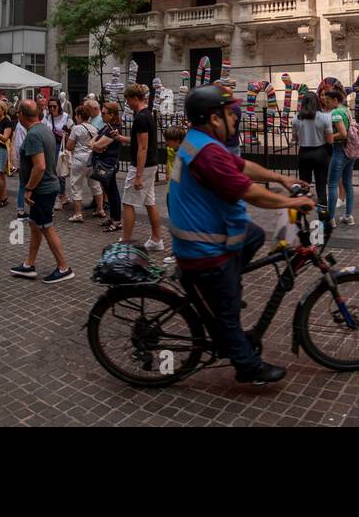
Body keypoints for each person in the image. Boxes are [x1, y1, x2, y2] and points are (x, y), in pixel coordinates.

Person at [168, 84, 314, 385]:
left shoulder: (202, 142)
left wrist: (280, 177)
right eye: (229, 113)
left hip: (206, 236)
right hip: (204, 251)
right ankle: (248, 367)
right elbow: (251, 194)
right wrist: (292, 202)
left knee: (254, 234)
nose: (235, 118)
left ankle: (227, 290)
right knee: (228, 312)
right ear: (213, 118)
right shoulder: (208, 153)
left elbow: (243, 166)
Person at [8, 100, 73, 284]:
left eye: (18, 112)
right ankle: (29, 264)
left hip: (42, 189)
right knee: (35, 225)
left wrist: (28, 189)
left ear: (22, 114)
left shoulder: (35, 134)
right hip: (45, 187)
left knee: (46, 226)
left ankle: (64, 267)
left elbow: (40, 166)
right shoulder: (43, 129)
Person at [120, 84, 165, 251]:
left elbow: (143, 147)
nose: (127, 104)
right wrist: (121, 138)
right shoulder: (147, 115)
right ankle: (156, 239)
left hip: (142, 166)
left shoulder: (140, 118)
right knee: (149, 201)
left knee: (128, 202)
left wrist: (138, 175)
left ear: (134, 98)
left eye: (128, 100)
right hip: (150, 164)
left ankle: (125, 241)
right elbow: (140, 143)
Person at [290, 91, 333, 224]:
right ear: (317, 102)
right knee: (321, 186)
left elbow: (294, 138)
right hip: (320, 152)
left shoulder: (296, 118)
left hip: (304, 153)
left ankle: (300, 217)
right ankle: (323, 219)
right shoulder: (324, 117)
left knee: (304, 185)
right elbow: (330, 140)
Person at [88, 100, 125, 230]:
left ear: (112, 115)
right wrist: (95, 146)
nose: (102, 116)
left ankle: (117, 220)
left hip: (108, 164)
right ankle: (113, 218)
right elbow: (91, 142)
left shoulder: (113, 129)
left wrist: (96, 146)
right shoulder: (106, 127)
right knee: (108, 191)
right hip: (102, 162)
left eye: (104, 114)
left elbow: (97, 144)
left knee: (113, 192)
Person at [323, 87, 356, 227]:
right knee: (348, 183)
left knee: (332, 184)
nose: (326, 104)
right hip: (350, 152)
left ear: (336, 100)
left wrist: (328, 137)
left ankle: (330, 219)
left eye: (328, 101)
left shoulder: (336, 112)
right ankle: (348, 216)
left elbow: (342, 133)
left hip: (339, 151)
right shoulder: (346, 111)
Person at [64, 103, 98, 223]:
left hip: (78, 160)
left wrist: (68, 137)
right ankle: (100, 209)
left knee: (76, 186)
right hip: (91, 160)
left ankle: (78, 213)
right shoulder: (93, 128)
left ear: (79, 115)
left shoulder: (76, 128)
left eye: (76, 115)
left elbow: (69, 146)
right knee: (95, 185)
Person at [0, 100, 14, 209]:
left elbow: (5, 138)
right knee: (0, 175)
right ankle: (3, 197)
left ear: (3, 110)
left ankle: (3, 197)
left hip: (2, 149)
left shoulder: (7, 122)